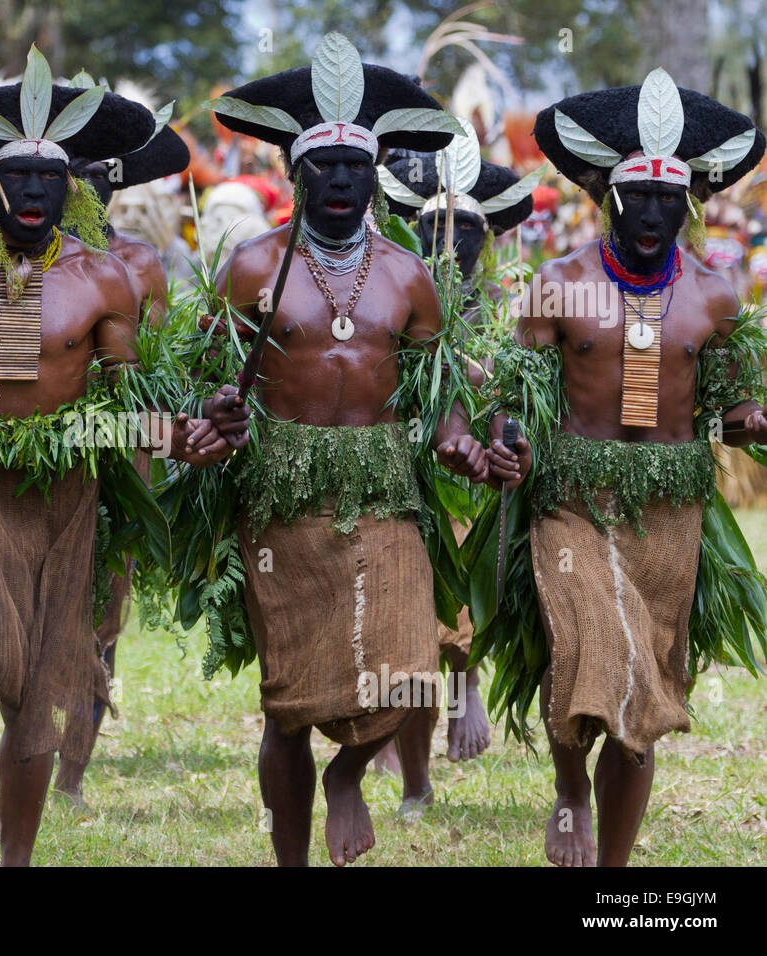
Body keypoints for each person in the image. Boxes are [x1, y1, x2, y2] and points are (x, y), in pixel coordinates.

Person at [0, 47, 245, 865]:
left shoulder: (104, 281)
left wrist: (192, 436)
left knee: (34, 687)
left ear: (71, 187)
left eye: (51, 180)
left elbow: (128, 404)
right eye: (18, 180)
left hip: (63, 497)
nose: (34, 195)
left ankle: (19, 857)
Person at [209, 31, 489, 866]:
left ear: (375, 178)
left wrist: (462, 446)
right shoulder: (249, 269)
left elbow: (439, 406)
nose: (338, 181)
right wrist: (214, 416)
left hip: (383, 491)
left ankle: (351, 775)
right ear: (297, 172)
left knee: (410, 674)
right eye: (322, 167)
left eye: (353, 169)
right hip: (283, 497)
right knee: (288, 703)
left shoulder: (411, 277)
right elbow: (213, 386)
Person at [481, 67, 767, 866]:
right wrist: (508, 440)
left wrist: (756, 423)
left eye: (666, 200)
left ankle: (614, 873)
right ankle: (571, 787)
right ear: (607, 197)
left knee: (642, 696)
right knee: (588, 653)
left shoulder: (716, 294)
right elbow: (517, 401)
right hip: (571, 497)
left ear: (688, 203)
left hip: (669, 514)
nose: (651, 213)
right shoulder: (558, 284)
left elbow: (733, 411)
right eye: (635, 197)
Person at [374, 119, 543, 816]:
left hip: (472, 473)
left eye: (468, 232)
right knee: (399, 600)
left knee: (466, 574)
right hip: (403, 465)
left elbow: (520, 394)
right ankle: (391, 730)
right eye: (439, 229)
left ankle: (465, 685)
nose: (454, 245)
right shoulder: (400, 295)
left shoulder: (507, 310)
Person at [55, 105, 191, 804]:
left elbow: (150, 377)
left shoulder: (140, 265)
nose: (83, 195)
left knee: (103, 604)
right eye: (68, 179)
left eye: (95, 182)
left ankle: (70, 775)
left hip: (117, 454)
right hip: (35, 455)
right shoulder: (18, 265)